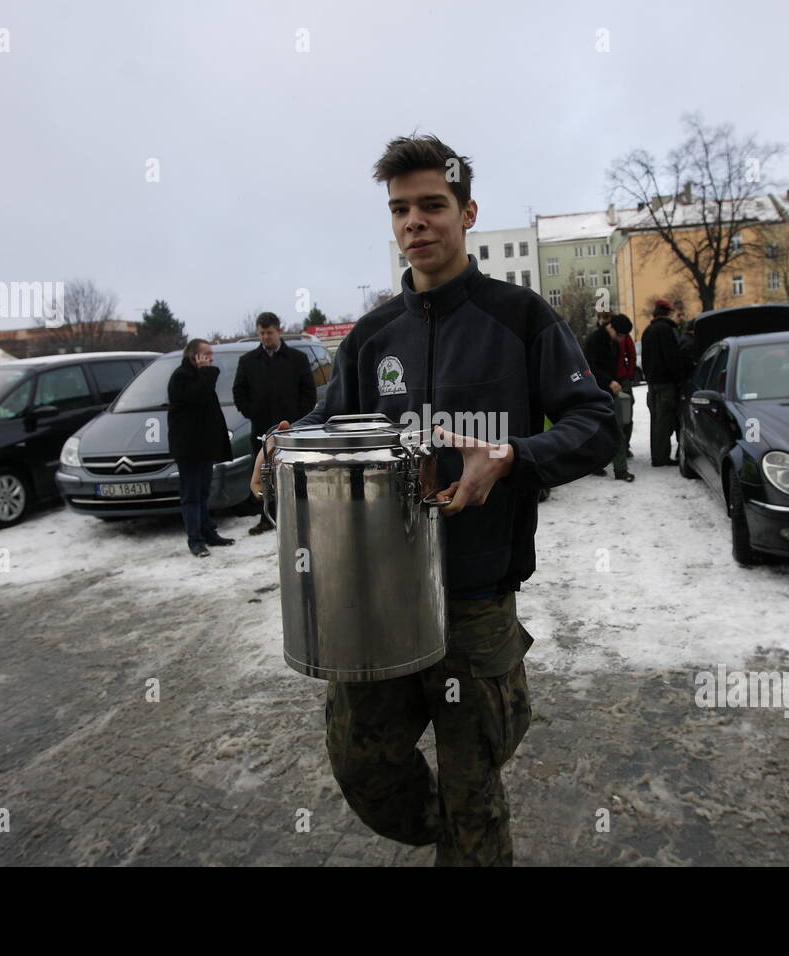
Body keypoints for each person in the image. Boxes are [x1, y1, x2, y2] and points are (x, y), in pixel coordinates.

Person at [251, 134, 619, 866]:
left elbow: (595, 423)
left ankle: (464, 826)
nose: (414, 222)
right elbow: (331, 423)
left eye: (432, 205)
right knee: (365, 768)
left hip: (474, 597)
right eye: (400, 210)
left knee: (474, 790)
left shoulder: (519, 317)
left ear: (467, 211)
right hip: (376, 603)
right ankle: (442, 823)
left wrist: (514, 456)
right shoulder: (371, 336)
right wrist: (279, 445)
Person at [233, 312, 317, 534]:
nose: (265, 337)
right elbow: (238, 392)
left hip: (292, 430)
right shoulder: (249, 361)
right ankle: (267, 517)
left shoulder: (296, 359)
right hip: (261, 430)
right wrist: (252, 412)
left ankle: (297, 516)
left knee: (294, 473)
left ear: (278, 331)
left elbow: (309, 392)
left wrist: (298, 420)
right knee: (264, 475)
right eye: (261, 333)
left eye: (269, 333)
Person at [167, 339, 235, 557]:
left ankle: (208, 531)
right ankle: (195, 540)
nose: (211, 358)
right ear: (193, 356)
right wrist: (207, 372)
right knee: (191, 495)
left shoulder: (200, 377)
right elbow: (195, 397)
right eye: (206, 354)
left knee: (203, 492)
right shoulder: (181, 377)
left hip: (204, 445)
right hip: (188, 448)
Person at [583, 311, 631, 481]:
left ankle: (619, 469)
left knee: (615, 430)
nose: (621, 339)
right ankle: (603, 466)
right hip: (595, 392)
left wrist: (614, 382)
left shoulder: (614, 343)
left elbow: (612, 368)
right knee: (606, 430)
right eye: (619, 335)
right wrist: (609, 382)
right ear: (611, 327)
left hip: (609, 391)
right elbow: (588, 367)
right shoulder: (594, 340)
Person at [641, 299, 683, 466]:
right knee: (665, 422)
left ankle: (657, 456)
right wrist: (679, 379)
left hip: (652, 384)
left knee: (656, 420)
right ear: (667, 313)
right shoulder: (667, 330)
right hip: (666, 384)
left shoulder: (648, 331)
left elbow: (644, 359)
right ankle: (661, 458)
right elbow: (672, 358)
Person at [613, 313, 637, 460]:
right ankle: (616, 449)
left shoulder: (623, 335)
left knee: (626, 416)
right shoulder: (602, 338)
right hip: (610, 381)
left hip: (622, 380)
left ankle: (624, 446)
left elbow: (632, 354)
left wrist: (628, 373)